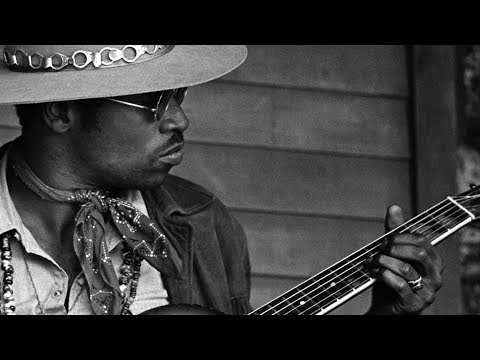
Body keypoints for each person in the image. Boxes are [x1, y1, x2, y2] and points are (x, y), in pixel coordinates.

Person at [0, 44, 444, 315]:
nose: (180, 120)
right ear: (60, 111)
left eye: (179, 97)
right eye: (154, 102)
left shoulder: (204, 225)